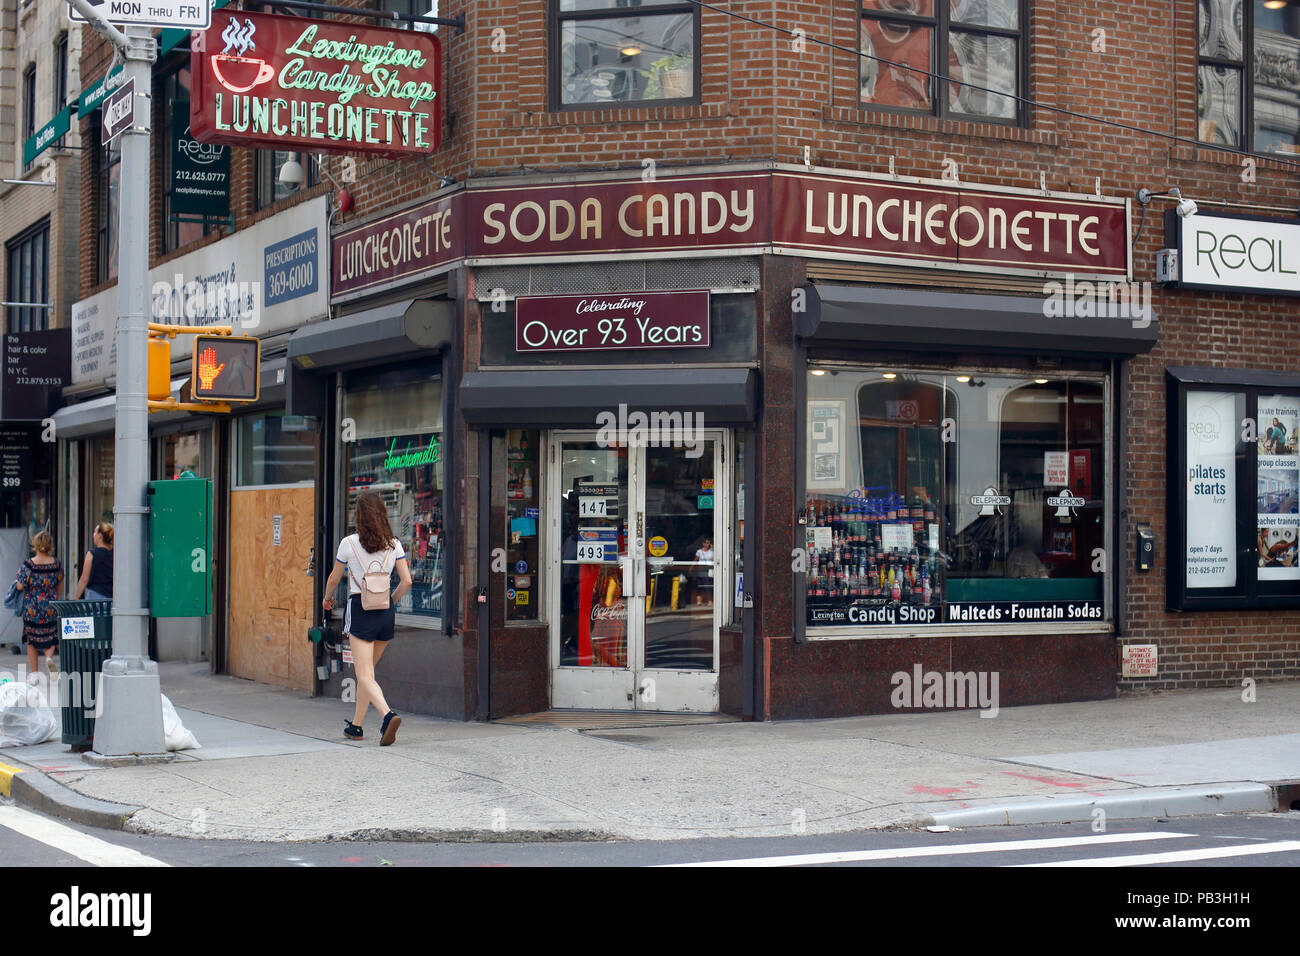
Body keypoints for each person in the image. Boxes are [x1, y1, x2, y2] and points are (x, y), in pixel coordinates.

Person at [321, 490, 412, 745]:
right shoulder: (395, 544)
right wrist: (390, 602)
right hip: (385, 613)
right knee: (368, 673)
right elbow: (407, 581)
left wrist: (327, 598)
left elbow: (333, 578)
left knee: (363, 675)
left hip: (360, 611)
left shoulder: (348, 543)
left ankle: (387, 715)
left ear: (358, 516)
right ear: (382, 514)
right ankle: (357, 726)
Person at [16, 531, 64, 679]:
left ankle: (35, 673)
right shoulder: (56, 564)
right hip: (50, 606)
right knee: (50, 637)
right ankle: (49, 658)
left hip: (32, 607)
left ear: (35, 545)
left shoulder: (28, 565)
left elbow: (19, 586)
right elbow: (59, 587)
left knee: (31, 640)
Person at [73, 522, 114, 600]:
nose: (93, 534)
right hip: (112, 597)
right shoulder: (114, 554)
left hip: (95, 595)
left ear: (100, 536)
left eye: (95, 532)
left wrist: (76, 598)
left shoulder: (92, 554)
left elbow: (84, 579)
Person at [693, 538, 715, 606]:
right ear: (703, 544)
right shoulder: (699, 551)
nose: (708, 545)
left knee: (707, 585)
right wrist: (691, 567)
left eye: (709, 543)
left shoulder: (711, 552)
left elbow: (714, 559)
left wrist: (712, 549)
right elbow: (695, 559)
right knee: (700, 585)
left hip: (708, 570)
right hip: (701, 569)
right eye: (707, 543)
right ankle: (699, 600)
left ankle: (709, 601)